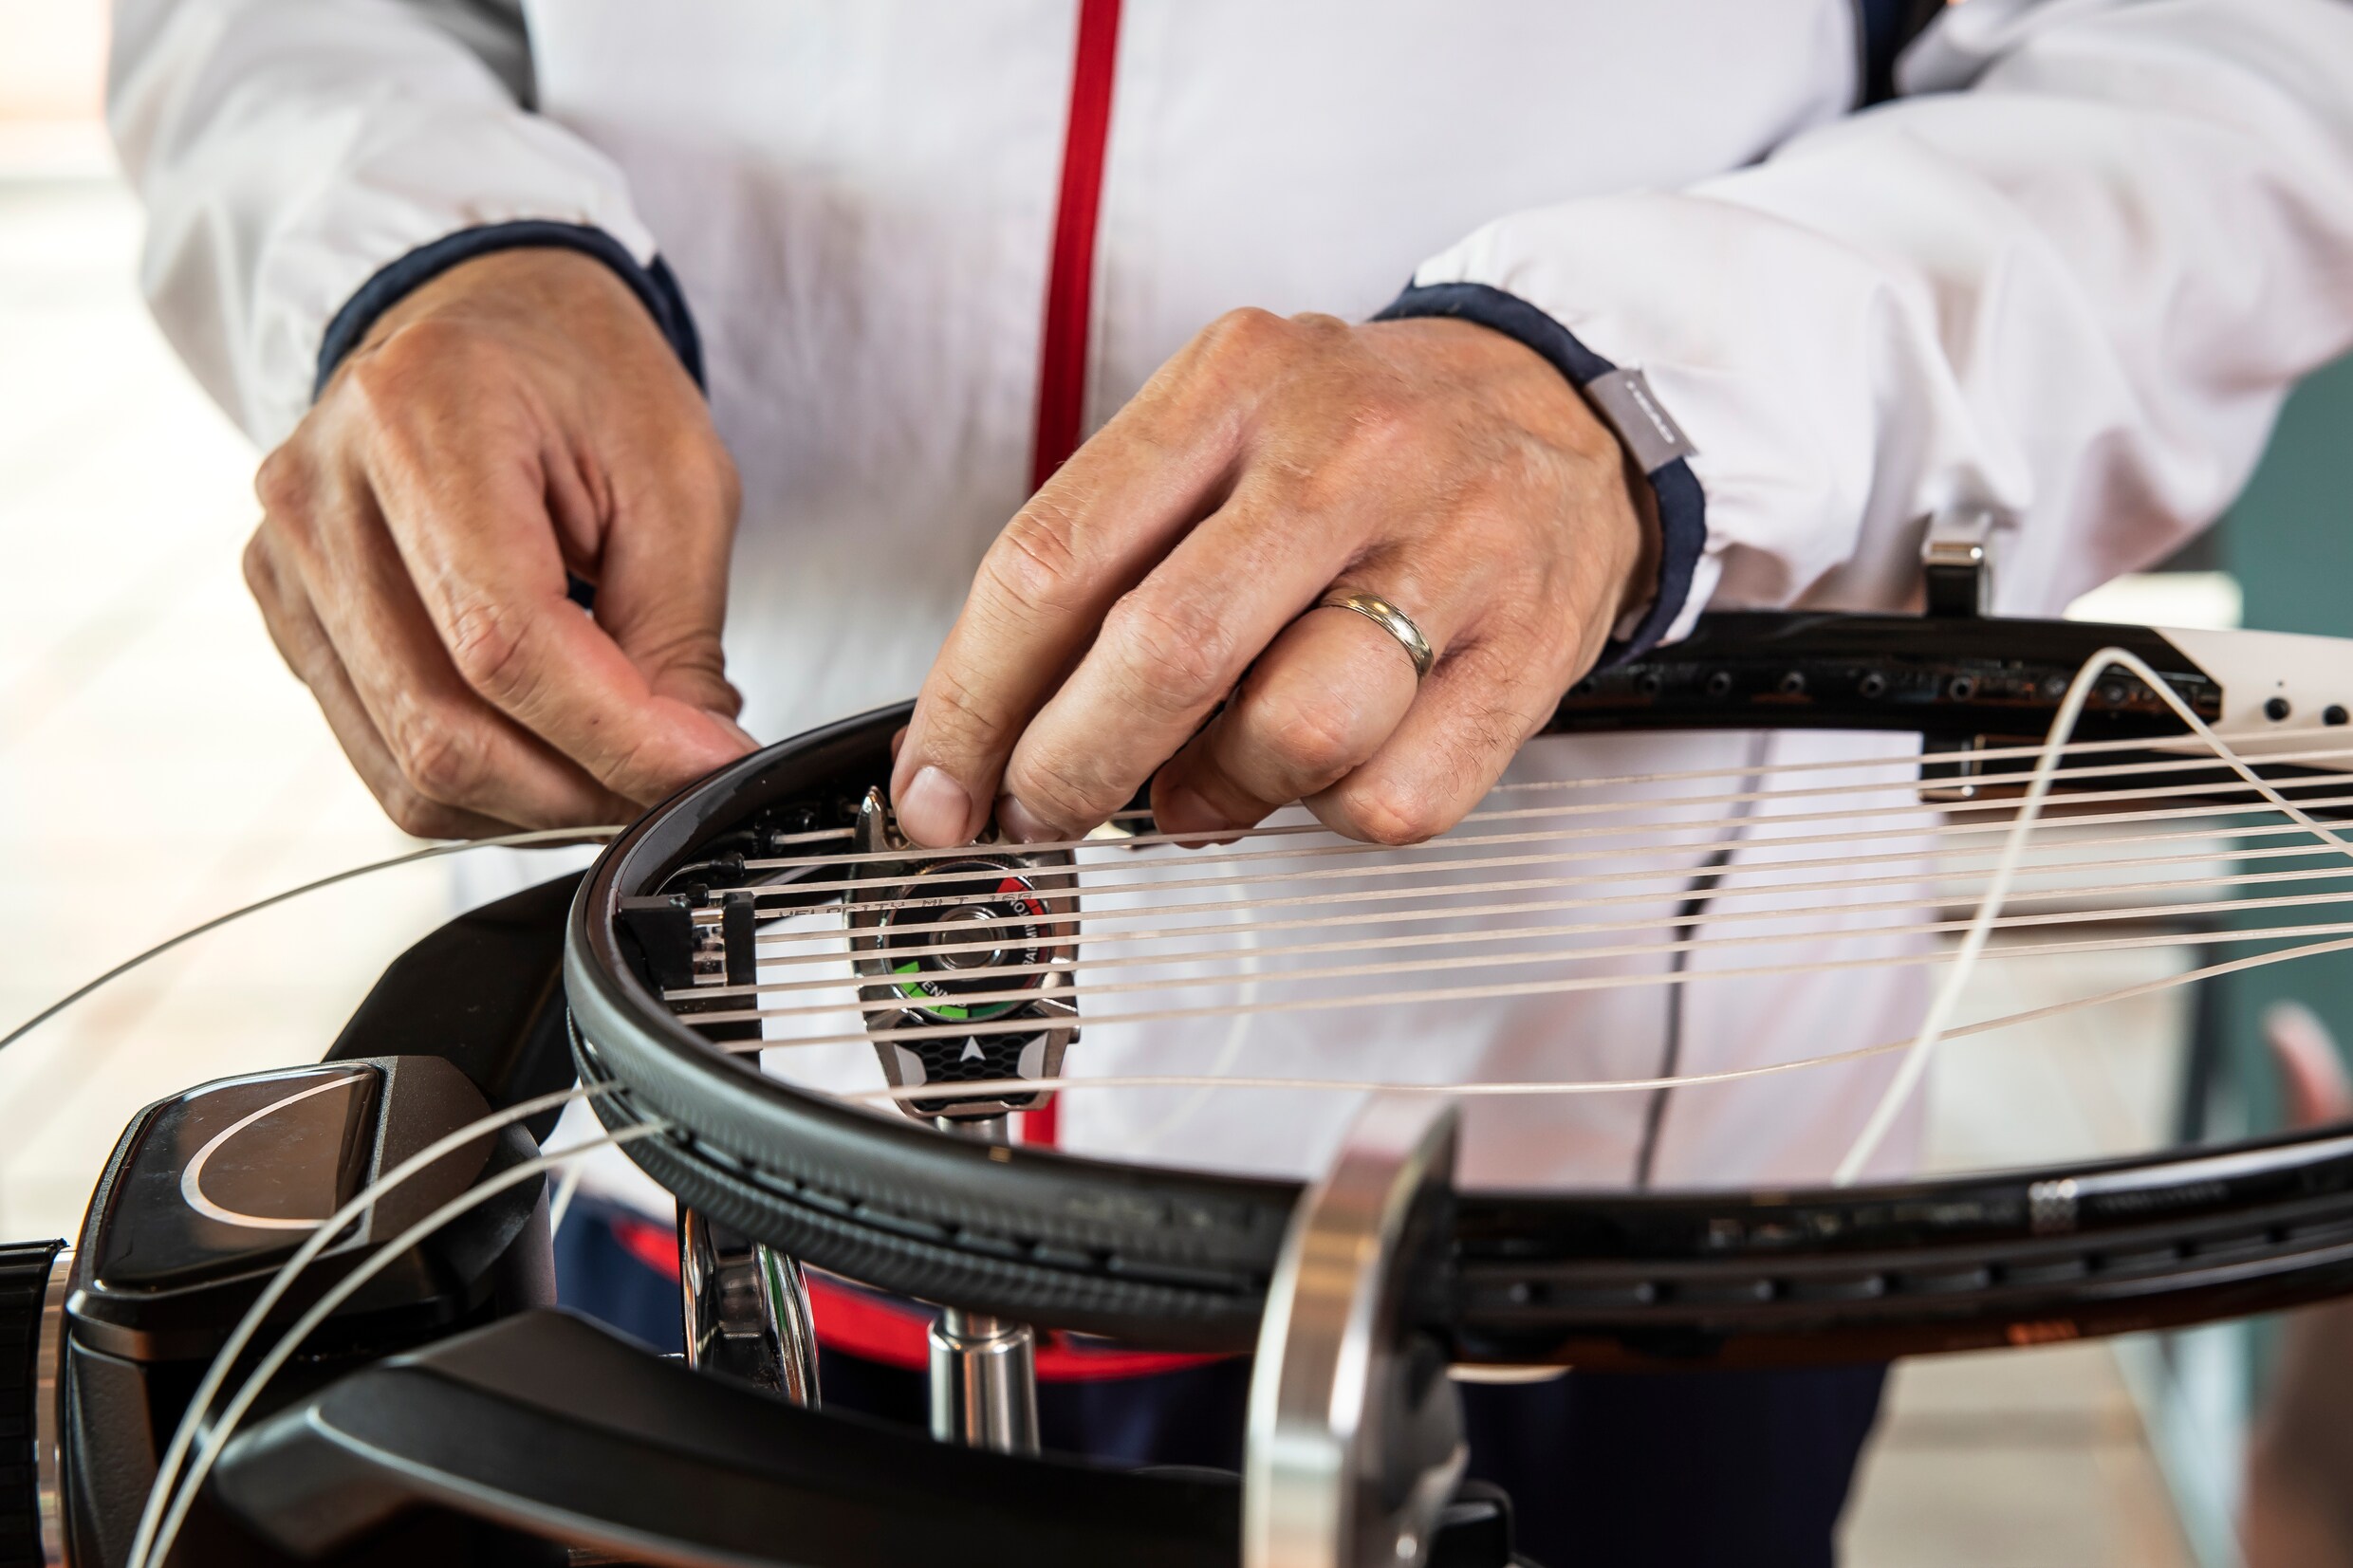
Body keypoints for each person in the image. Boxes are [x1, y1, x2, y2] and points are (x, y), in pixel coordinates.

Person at [109, 1, 2353, 1561]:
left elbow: (2241, 76)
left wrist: (1628, 391)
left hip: (1581, 1220)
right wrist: (420, 245)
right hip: (688, 1167)